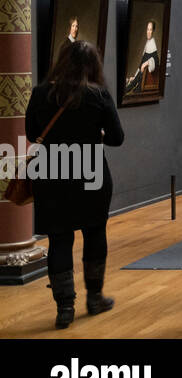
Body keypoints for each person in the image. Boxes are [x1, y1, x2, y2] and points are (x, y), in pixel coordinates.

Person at [26, 41, 124, 329]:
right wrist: (96, 135)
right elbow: (117, 137)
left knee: (59, 239)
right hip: (90, 172)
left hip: (52, 172)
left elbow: (32, 133)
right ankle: (95, 299)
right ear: (92, 65)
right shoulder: (99, 95)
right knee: (94, 233)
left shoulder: (41, 93)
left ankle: (64, 308)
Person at [122, 20, 160, 97]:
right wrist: (134, 77)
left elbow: (156, 60)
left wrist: (147, 63)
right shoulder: (148, 43)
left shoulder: (153, 44)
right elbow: (141, 66)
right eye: (147, 29)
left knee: (130, 90)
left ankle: (127, 87)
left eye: (150, 29)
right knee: (128, 86)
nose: (148, 32)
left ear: (153, 31)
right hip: (140, 78)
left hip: (144, 83)